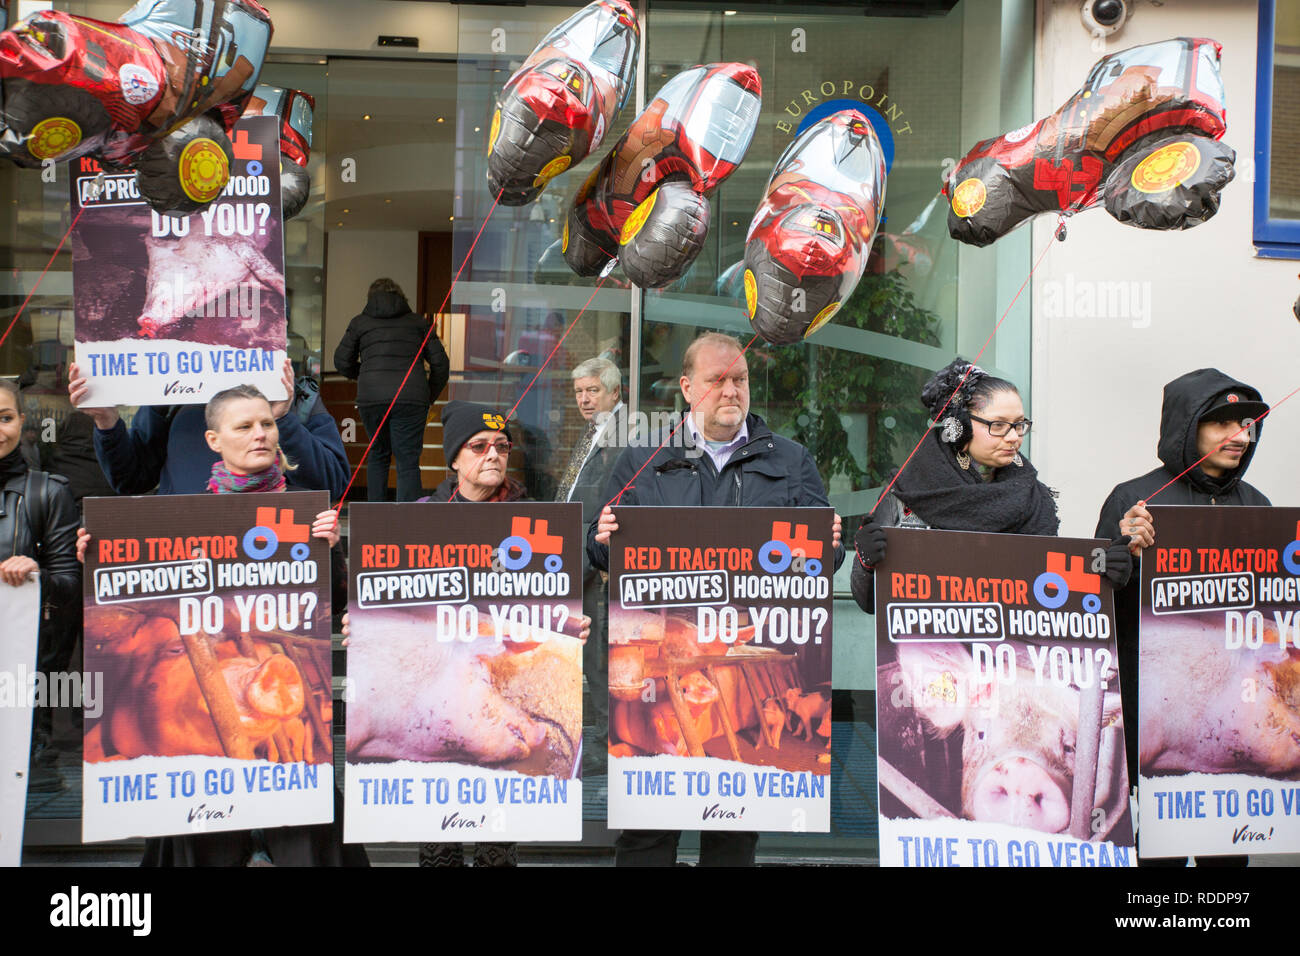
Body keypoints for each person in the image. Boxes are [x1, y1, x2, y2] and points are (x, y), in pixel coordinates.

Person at [75, 384, 366, 867]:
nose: (260, 435)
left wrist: (331, 552)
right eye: (244, 426)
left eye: (267, 424)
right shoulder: (177, 522)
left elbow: (329, 609)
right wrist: (99, 562)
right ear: (213, 440)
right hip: (194, 740)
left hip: (285, 746)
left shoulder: (306, 513)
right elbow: (133, 602)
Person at [588, 331, 844, 867]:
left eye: (740, 380)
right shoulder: (643, 458)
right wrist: (601, 538)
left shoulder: (792, 461)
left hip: (736, 644)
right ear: (687, 387)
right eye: (717, 380)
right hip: (663, 647)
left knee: (733, 829)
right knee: (647, 828)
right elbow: (598, 547)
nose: (731, 390)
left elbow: (817, 564)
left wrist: (830, 545)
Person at [1096, 368, 1269, 868]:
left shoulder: (1258, 506)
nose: (1241, 435)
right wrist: (1119, 558)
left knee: (1227, 863)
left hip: (1233, 718)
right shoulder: (1133, 499)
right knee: (1154, 858)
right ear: (1187, 427)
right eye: (1222, 424)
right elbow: (1096, 610)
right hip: (1154, 720)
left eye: (1248, 423)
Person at [850, 358, 1141, 611]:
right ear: (959, 425)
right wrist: (866, 563)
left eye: (1019, 425)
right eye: (998, 425)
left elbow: (1052, 589)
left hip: (1011, 660)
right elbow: (870, 602)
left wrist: (1103, 574)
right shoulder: (908, 489)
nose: (1014, 436)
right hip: (932, 663)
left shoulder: (1033, 496)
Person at [68, 358, 350, 498]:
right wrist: (107, 423)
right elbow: (130, 480)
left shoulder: (293, 398)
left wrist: (282, 419)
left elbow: (333, 486)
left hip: (272, 556)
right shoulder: (169, 395)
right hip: (186, 561)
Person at [0, 379, 79, 794]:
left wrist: (36, 575)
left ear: (22, 423)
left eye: (5, 417)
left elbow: (70, 585)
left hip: (25, 677)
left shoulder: (47, 492)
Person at [559, 357, 625, 777]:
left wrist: (595, 556)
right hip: (575, 553)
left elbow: (614, 501)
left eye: (593, 391)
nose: (584, 399)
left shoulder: (623, 436)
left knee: (602, 654)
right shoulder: (595, 429)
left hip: (600, 562)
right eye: (580, 391)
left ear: (614, 393)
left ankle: (608, 741)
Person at [334, 278, 450, 501]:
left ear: (371, 299)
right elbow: (441, 365)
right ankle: (406, 524)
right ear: (401, 298)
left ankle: (374, 517)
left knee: (378, 454)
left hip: (371, 399)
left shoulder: (360, 323)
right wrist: (428, 395)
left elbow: (341, 361)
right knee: (407, 461)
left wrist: (366, 376)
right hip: (410, 398)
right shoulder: (418, 323)